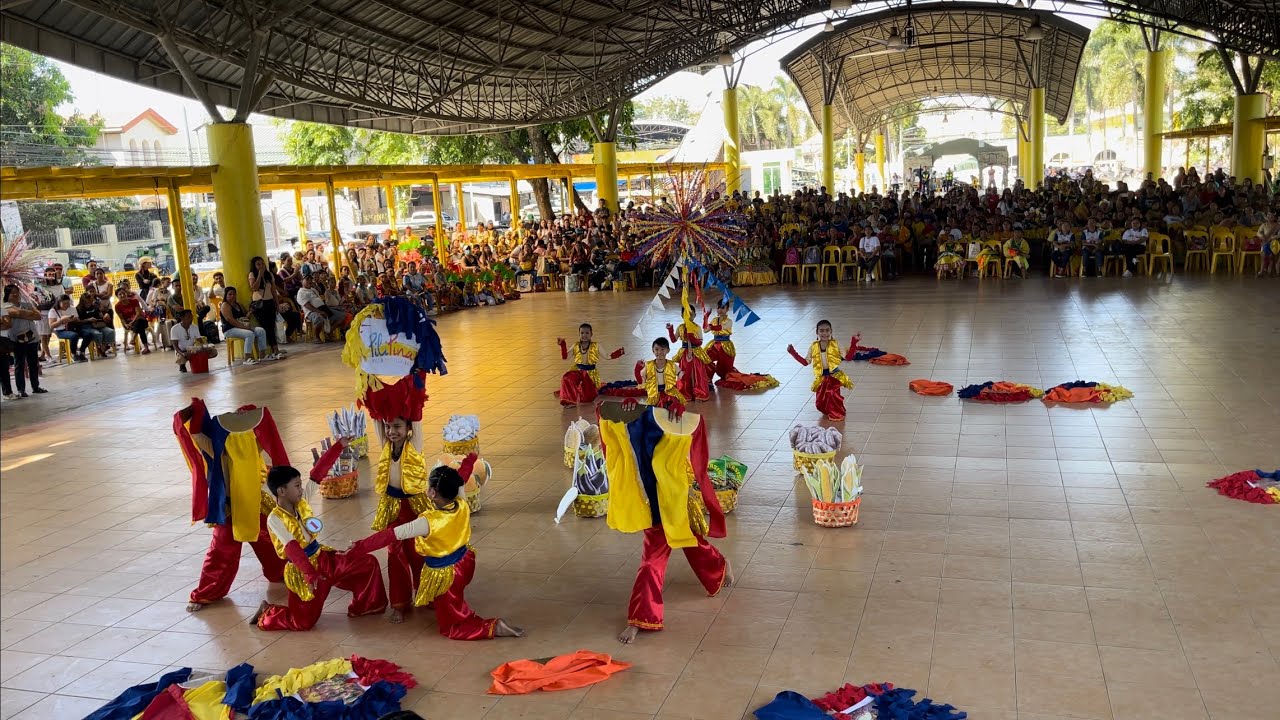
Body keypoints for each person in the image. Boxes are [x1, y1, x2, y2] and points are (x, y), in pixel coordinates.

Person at [598, 402, 731, 645]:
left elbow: (693, 434)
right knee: (673, 549)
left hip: (673, 500)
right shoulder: (634, 424)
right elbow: (608, 421)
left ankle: (640, 619)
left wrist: (672, 412)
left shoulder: (674, 418)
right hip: (650, 504)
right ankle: (718, 567)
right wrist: (619, 410)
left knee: (672, 551)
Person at [350, 455, 525, 639]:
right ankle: (451, 603)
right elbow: (461, 478)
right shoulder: (460, 502)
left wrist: (358, 547)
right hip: (465, 562)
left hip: (446, 576)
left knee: (453, 626)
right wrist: (470, 460)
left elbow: (391, 535)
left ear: (432, 493)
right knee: (454, 598)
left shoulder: (428, 522)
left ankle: (494, 628)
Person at [252, 460, 389, 631]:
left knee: (367, 564)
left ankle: (366, 606)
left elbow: (317, 477)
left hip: (323, 558)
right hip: (303, 571)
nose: (301, 489)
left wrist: (339, 446)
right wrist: (310, 574)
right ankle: (267, 611)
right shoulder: (275, 519)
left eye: (300, 485)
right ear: (281, 491)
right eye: (296, 486)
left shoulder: (301, 501)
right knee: (303, 622)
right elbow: (291, 547)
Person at [702, 301, 779, 391]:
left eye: (723, 308)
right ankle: (708, 381)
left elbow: (720, 327)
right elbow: (705, 330)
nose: (720, 310)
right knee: (705, 359)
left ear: (727, 309)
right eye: (718, 308)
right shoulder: (714, 320)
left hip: (725, 347)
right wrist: (706, 317)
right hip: (714, 345)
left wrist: (711, 326)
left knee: (725, 372)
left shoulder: (728, 321)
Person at [787, 320, 856, 420]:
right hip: (821, 377)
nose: (824, 333)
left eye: (827, 330)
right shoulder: (813, 346)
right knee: (820, 402)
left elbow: (848, 357)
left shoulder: (836, 344)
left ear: (831, 331)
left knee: (832, 394)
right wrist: (793, 353)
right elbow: (806, 362)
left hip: (834, 375)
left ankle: (836, 413)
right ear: (817, 332)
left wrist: (854, 343)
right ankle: (830, 410)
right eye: (822, 331)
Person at [556, 323, 624, 406]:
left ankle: (583, 389)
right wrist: (563, 345)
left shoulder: (596, 346)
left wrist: (619, 352)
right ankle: (569, 401)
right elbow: (565, 357)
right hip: (577, 371)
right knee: (566, 378)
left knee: (587, 398)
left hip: (590, 374)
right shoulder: (576, 345)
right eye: (582, 333)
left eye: (587, 333)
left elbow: (607, 356)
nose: (584, 335)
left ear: (591, 334)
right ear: (579, 334)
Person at [1, 285, 46, 398]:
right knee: (19, 364)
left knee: (33, 364)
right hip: (17, 339)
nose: (15, 294)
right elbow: (16, 313)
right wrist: (28, 314)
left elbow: (38, 316)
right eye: (12, 293)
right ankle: (21, 389)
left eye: (17, 292)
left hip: (32, 338)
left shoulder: (25, 303)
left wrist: (22, 313)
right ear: (7, 295)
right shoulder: (5, 306)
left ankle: (35, 387)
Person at [219, 287, 270, 365]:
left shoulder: (239, 304)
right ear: (225, 295)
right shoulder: (225, 305)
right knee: (249, 334)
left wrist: (251, 311)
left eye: (234, 294)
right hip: (229, 329)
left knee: (261, 331)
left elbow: (245, 317)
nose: (232, 296)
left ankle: (262, 355)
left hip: (242, 327)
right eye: (230, 294)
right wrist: (245, 327)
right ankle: (247, 358)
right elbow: (230, 320)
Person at [247, 256, 283, 360]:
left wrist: (277, 304)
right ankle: (274, 349)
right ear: (254, 266)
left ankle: (275, 349)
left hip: (270, 302)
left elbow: (273, 291)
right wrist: (259, 275)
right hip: (259, 304)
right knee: (266, 327)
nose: (261, 266)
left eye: (262, 264)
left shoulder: (269, 274)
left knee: (272, 326)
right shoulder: (252, 274)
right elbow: (254, 287)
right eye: (258, 264)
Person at [641, 337, 686, 412]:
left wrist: (680, 379)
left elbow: (680, 373)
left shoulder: (672, 365)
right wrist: (643, 382)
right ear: (653, 350)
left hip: (669, 392)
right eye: (657, 349)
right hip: (654, 393)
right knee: (651, 411)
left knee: (672, 406)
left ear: (668, 350)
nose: (659, 352)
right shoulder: (649, 365)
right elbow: (642, 374)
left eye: (662, 349)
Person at [75, 290, 116, 356]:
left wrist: (105, 316)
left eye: (90, 302)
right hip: (86, 326)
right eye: (87, 303)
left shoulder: (94, 306)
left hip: (98, 325)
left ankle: (103, 348)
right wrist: (88, 320)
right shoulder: (78, 309)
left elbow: (100, 315)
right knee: (97, 334)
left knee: (110, 331)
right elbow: (78, 322)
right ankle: (99, 347)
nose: (89, 304)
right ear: (83, 302)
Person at [48, 295, 87, 362]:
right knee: (74, 335)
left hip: (73, 327)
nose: (66, 305)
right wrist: (61, 320)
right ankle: (73, 353)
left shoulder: (72, 308)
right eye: (64, 303)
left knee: (88, 334)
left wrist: (73, 319)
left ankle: (81, 351)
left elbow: (78, 320)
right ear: (59, 303)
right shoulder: (53, 311)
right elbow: (52, 325)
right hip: (60, 330)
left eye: (68, 303)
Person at [115, 286, 153, 355]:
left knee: (139, 321)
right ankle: (146, 347)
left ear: (126, 293)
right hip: (129, 324)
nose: (122, 295)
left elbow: (138, 313)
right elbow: (122, 318)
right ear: (117, 296)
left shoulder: (134, 301)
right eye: (120, 294)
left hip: (139, 320)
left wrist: (132, 321)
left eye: (123, 293)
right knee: (141, 327)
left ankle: (133, 337)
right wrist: (125, 324)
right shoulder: (117, 306)